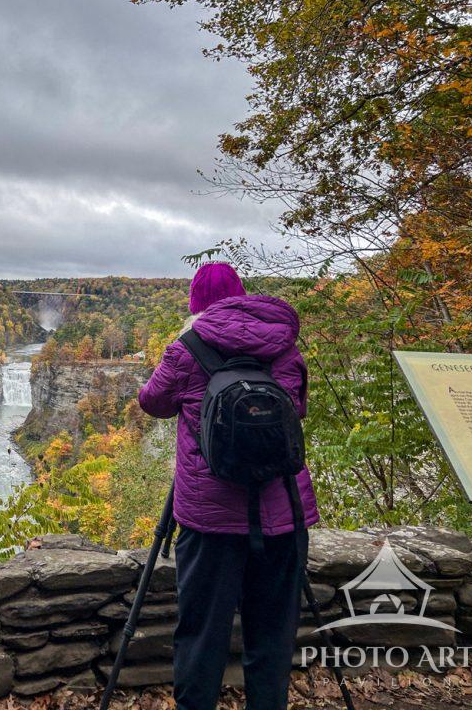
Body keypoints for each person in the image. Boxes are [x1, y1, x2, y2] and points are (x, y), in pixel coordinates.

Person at [137, 263, 319, 710]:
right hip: (282, 516)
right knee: (273, 636)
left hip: (209, 518)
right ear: (242, 296)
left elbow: (151, 402)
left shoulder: (188, 349)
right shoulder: (285, 347)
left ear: (195, 304)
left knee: (201, 634)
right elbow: (297, 408)